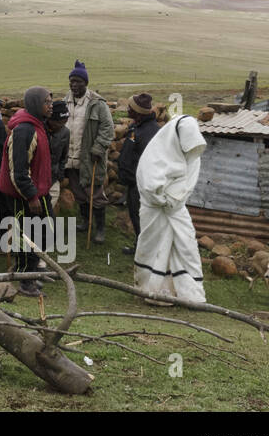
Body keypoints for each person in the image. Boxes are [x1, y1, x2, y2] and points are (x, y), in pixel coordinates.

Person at [134, 114, 208, 303]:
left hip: (177, 211)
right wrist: (163, 198)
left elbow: (188, 184)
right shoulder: (155, 154)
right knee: (155, 248)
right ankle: (152, 290)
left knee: (186, 246)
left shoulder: (193, 157)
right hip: (154, 210)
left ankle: (188, 293)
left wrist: (174, 199)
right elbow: (148, 183)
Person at [0, 87, 55, 296]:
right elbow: (18, 169)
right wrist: (30, 195)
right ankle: (25, 279)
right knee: (27, 237)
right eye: (46, 102)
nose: (50, 106)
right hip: (23, 194)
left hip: (36, 192)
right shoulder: (25, 130)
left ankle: (32, 272)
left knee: (44, 233)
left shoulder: (38, 126)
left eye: (50, 101)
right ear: (34, 104)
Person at [63, 59, 114, 245]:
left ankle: (100, 229)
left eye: (78, 81)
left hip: (89, 157)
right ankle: (86, 221)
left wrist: (98, 147)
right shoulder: (65, 101)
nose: (74, 84)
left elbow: (108, 128)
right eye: (72, 81)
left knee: (96, 194)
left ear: (86, 83)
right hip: (70, 157)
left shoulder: (97, 104)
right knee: (79, 193)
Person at [117, 93, 162, 255]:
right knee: (136, 216)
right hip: (132, 181)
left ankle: (145, 251)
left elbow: (151, 160)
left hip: (141, 183)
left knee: (141, 217)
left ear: (137, 112)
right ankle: (140, 247)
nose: (128, 110)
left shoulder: (151, 132)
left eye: (131, 107)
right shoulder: (138, 126)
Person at [47, 99, 70, 207]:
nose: (61, 126)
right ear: (49, 118)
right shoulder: (39, 130)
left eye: (64, 122)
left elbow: (64, 156)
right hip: (36, 179)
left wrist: (60, 174)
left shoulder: (65, 132)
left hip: (53, 177)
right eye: (58, 122)